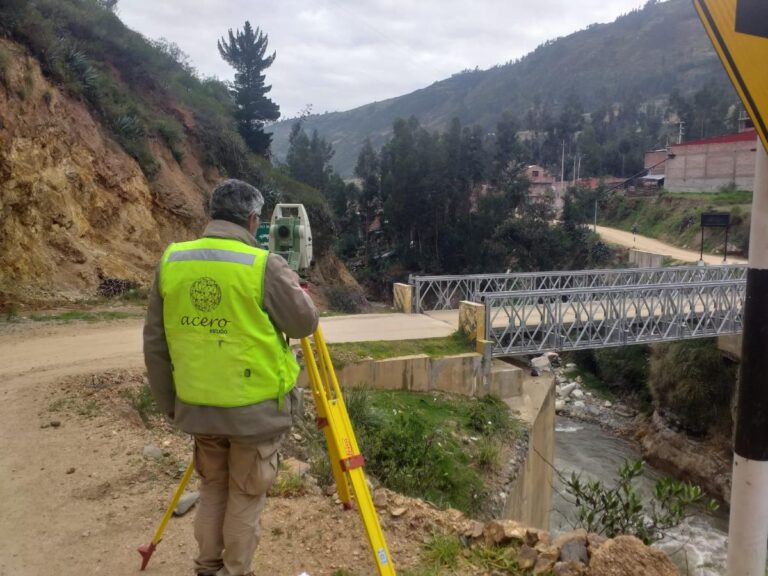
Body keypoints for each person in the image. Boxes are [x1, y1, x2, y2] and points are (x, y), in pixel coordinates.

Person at [143, 179, 319, 576]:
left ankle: (206, 567)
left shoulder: (172, 260)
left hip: (198, 407)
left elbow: (155, 340)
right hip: (253, 412)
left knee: (213, 488)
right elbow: (304, 322)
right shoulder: (262, 265)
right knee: (245, 493)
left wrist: (170, 403)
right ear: (254, 219)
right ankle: (235, 571)